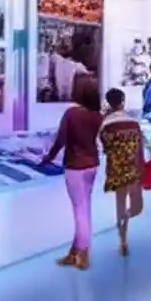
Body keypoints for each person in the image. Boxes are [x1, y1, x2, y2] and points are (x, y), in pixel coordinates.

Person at [41, 83, 103, 270]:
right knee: (84, 209)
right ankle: (74, 252)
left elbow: (61, 139)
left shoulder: (72, 114)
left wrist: (48, 157)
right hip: (92, 164)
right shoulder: (97, 116)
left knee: (80, 211)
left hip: (75, 166)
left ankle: (82, 253)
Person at [99, 89, 145, 257]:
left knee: (120, 202)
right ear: (123, 101)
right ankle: (125, 222)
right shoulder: (133, 122)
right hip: (133, 167)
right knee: (137, 206)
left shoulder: (105, 124)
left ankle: (122, 238)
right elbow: (140, 147)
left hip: (116, 168)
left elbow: (106, 148)